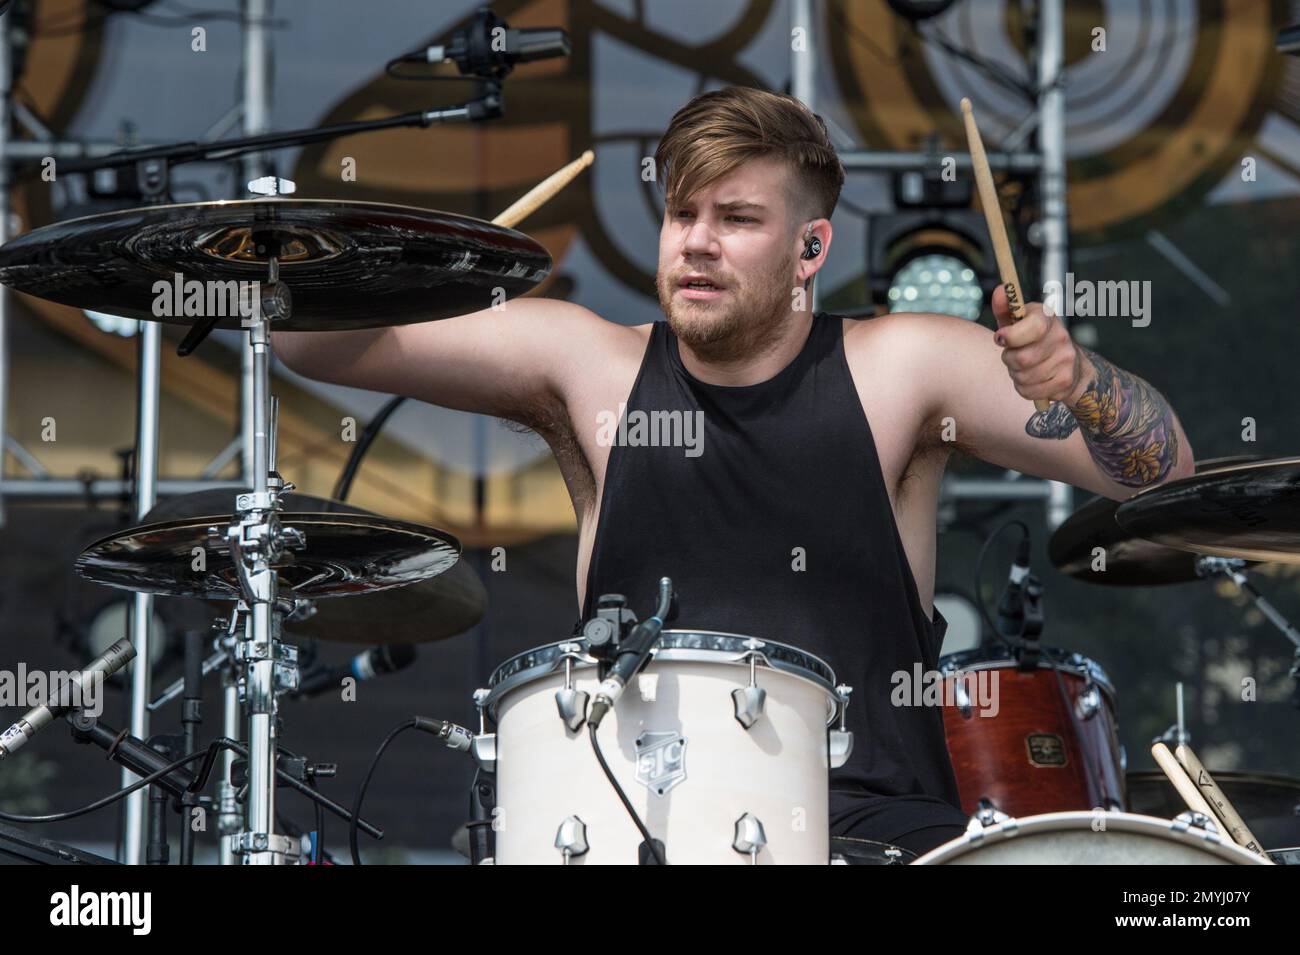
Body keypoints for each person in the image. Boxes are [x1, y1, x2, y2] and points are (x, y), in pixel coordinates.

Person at [272, 85, 1194, 856]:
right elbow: (306, 338)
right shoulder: (590, 366)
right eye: (682, 213)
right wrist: (427, 263)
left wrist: (1081, 383)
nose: (696, 242)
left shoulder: (905, 367)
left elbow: (1160, 477)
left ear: (811, 250)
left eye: (737, 218)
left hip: (866, 833)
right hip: (631, 827)